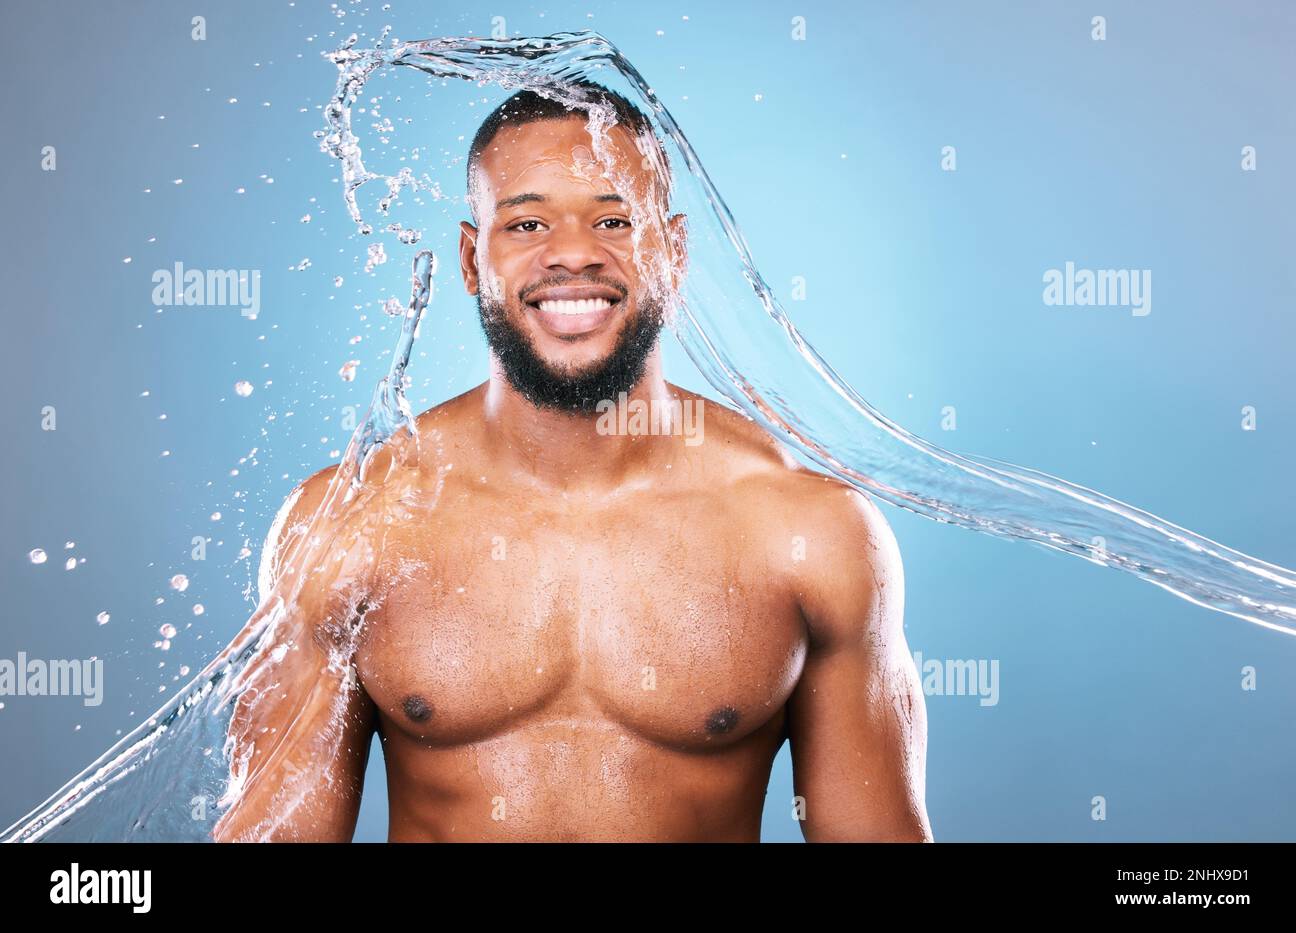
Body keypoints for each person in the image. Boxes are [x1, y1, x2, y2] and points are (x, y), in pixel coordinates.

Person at [212, 82, 932, 843]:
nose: (574, 253)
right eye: (526, 221)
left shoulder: (810, 534)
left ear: (674, 253)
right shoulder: (355, 524)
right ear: (470, 258)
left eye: (614, 219)